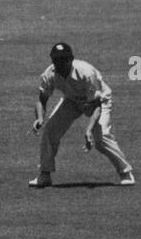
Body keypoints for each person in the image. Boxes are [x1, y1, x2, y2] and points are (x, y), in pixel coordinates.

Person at [29, 42, 135, 187]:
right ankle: (44, 175)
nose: (60, 63)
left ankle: (125, 172)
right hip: (72, 100)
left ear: (71, 59)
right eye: (56, 60)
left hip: (98, 102)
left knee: (101, 138)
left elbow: (96, 105)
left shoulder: (86, 73)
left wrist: (89, 129)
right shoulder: (50, 74)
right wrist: (39, 118)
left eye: (63, 59)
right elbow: (41, 100)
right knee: (50, 131)